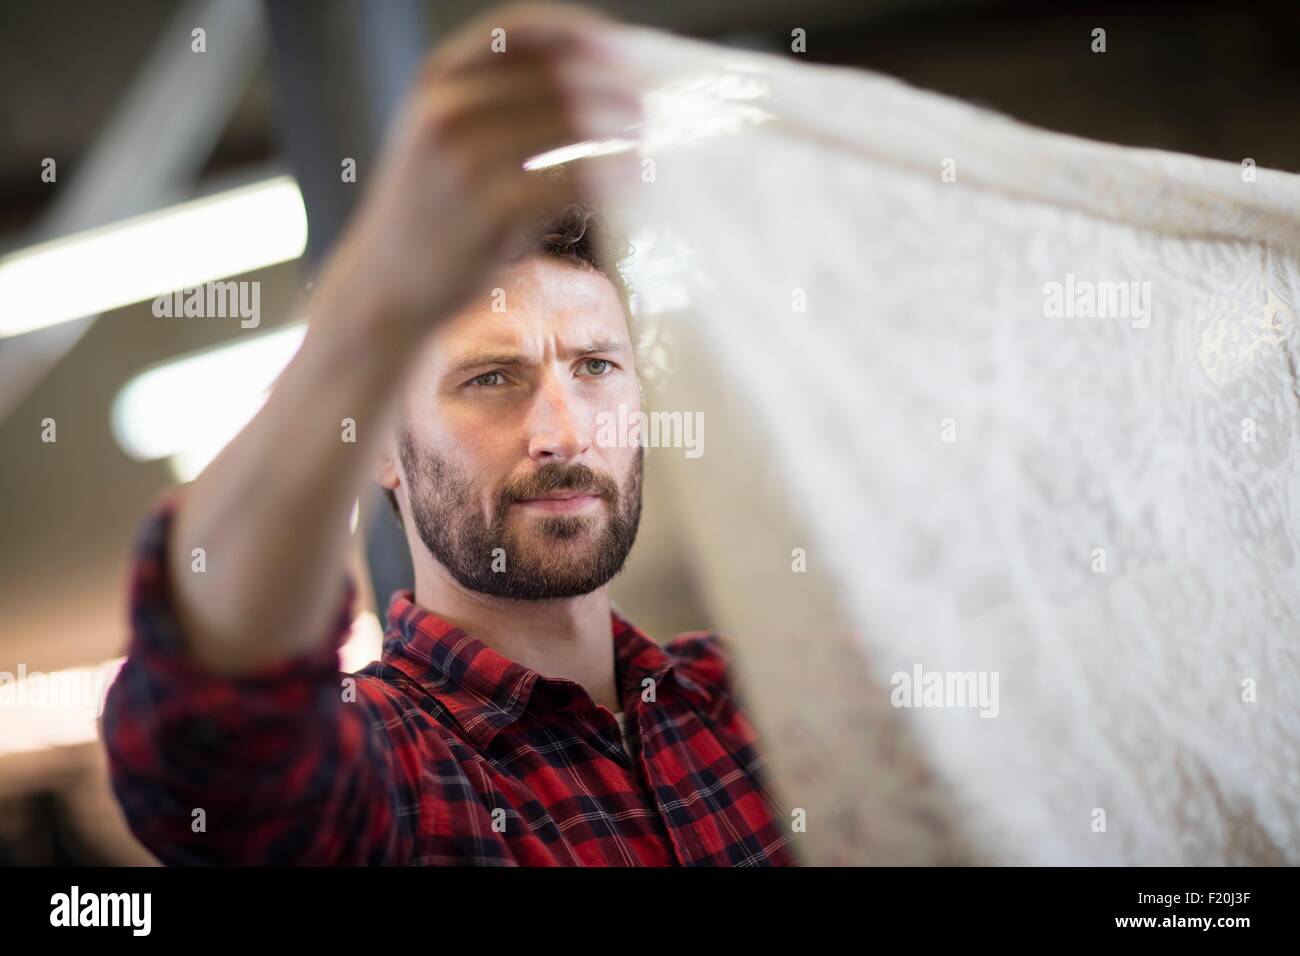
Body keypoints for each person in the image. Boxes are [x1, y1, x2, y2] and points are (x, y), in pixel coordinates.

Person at [101, 1, 795, 866]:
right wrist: (377, 300)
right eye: (490, 379)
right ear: (379, 450)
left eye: (595, 367)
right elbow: (207, 736)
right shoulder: (392, 775)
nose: (564, 432)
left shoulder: (761, 705)